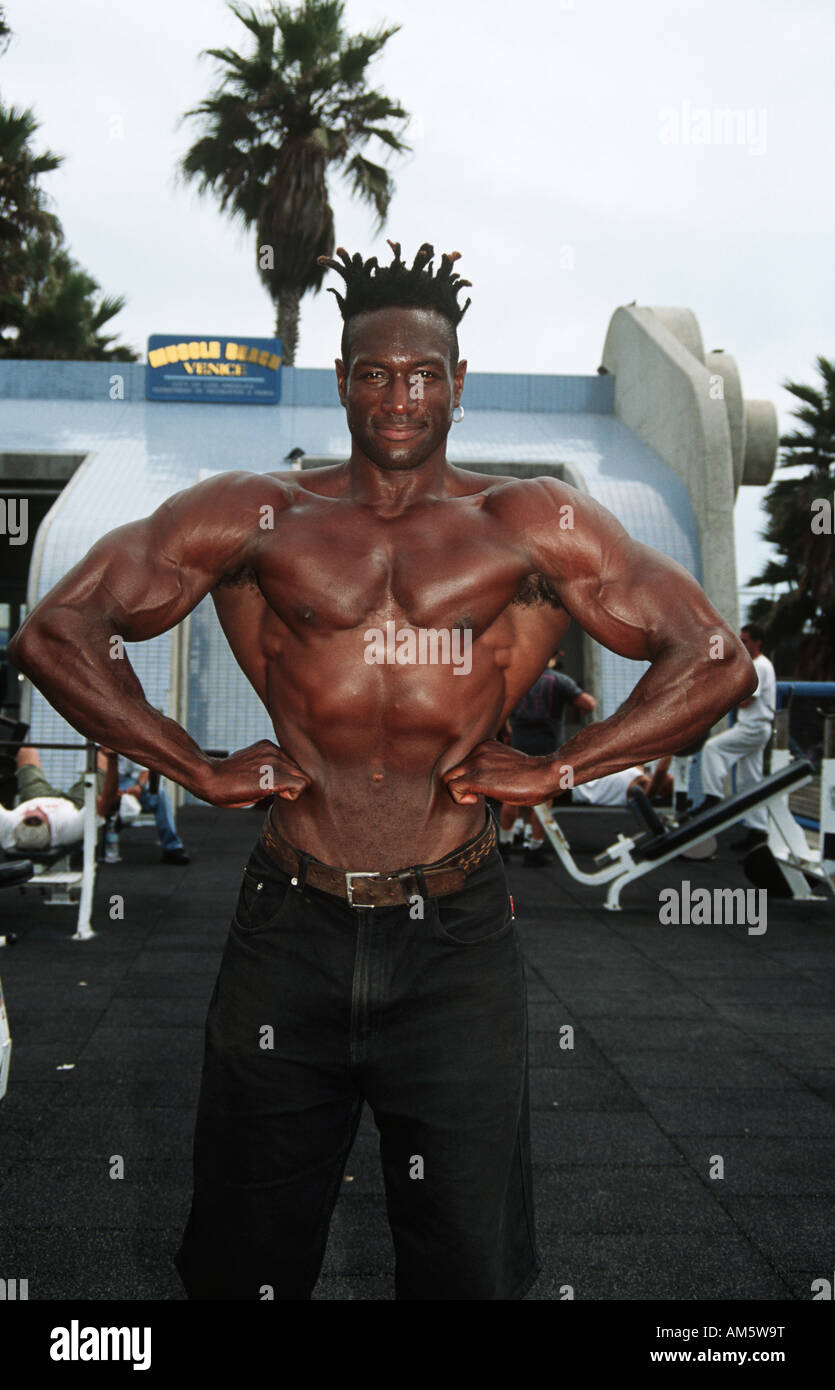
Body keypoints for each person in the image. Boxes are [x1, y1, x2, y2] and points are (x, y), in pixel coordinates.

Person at [7, 240, 755, 1301]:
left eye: (420, 374)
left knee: (469, 1269)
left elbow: (713, 656)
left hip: (452, 940)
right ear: (342, 381)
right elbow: (57, 629)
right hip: (289, 926)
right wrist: (196, 766)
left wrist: (563, 768)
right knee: (244, 1262)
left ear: (458, 383)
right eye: (372, 372)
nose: (396, 395)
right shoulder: (256, 512)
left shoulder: (532, 522)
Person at [499, 657, 596, 864]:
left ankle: (504, 845)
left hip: (518, 747)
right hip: (547, 750)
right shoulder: (560, 680)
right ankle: (533, 848)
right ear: (550, 658)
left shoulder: (516, 680)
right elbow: (589, 704)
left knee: (511, 795)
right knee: (542, 798)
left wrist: (507, 728)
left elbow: (500, 710)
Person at [699, 624, 776, 851]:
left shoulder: (760, 666)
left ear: (758, 642)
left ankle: (712, 796)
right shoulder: (758, 665)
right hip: (755, 727)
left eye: (746, 640)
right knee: (749, 781)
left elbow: (744, 700)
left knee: (713, 748)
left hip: (753, 727)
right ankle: (757, 832)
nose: (743, 644)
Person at [0, 745, 119, 853]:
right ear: (50, 831)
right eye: (37, 819)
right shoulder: (69, 830)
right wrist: (113, 761)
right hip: (76, 803)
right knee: (102, 756)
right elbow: (106, 800)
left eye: (27, 819)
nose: (34, 811)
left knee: (27, 750)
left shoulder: (8, 828)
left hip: (36, 795)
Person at [117, 757, 190, 865]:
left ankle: (172, 848)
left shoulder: (131, 743)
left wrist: (139, 787)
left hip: (128, 782)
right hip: (106, 778)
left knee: (160, 795)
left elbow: (144, 769)